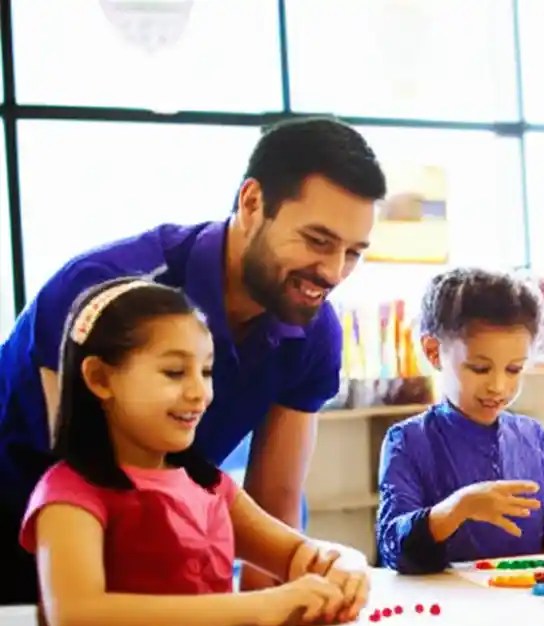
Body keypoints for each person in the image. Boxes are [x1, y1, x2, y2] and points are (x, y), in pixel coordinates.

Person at [0, 116, 387, 600]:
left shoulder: (313, 328)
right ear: (252, 203)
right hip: (35, 517)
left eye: (353, 253)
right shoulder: (106, 287)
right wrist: (247, 613)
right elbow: (96, 485)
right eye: (317, 241)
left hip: (146, 542)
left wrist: (280, 624)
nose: (331, 271)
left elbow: (277, 502)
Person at [21, 278, 371, 626]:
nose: (199, 392)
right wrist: (256, 608)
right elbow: (78, 624)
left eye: (206, 371)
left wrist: (344, 564)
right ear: (99, 378)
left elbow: (299, 553)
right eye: (173, 372)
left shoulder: (210, 487)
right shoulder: (70, 493)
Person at [376, 268, 544, 573]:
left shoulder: (531, 436)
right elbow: (393, 547)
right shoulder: (408, 441)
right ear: (433, 352)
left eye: (513, 370)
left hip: (525, 604)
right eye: (480, 369)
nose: (498, 386)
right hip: (450, 610)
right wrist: (459, 508)